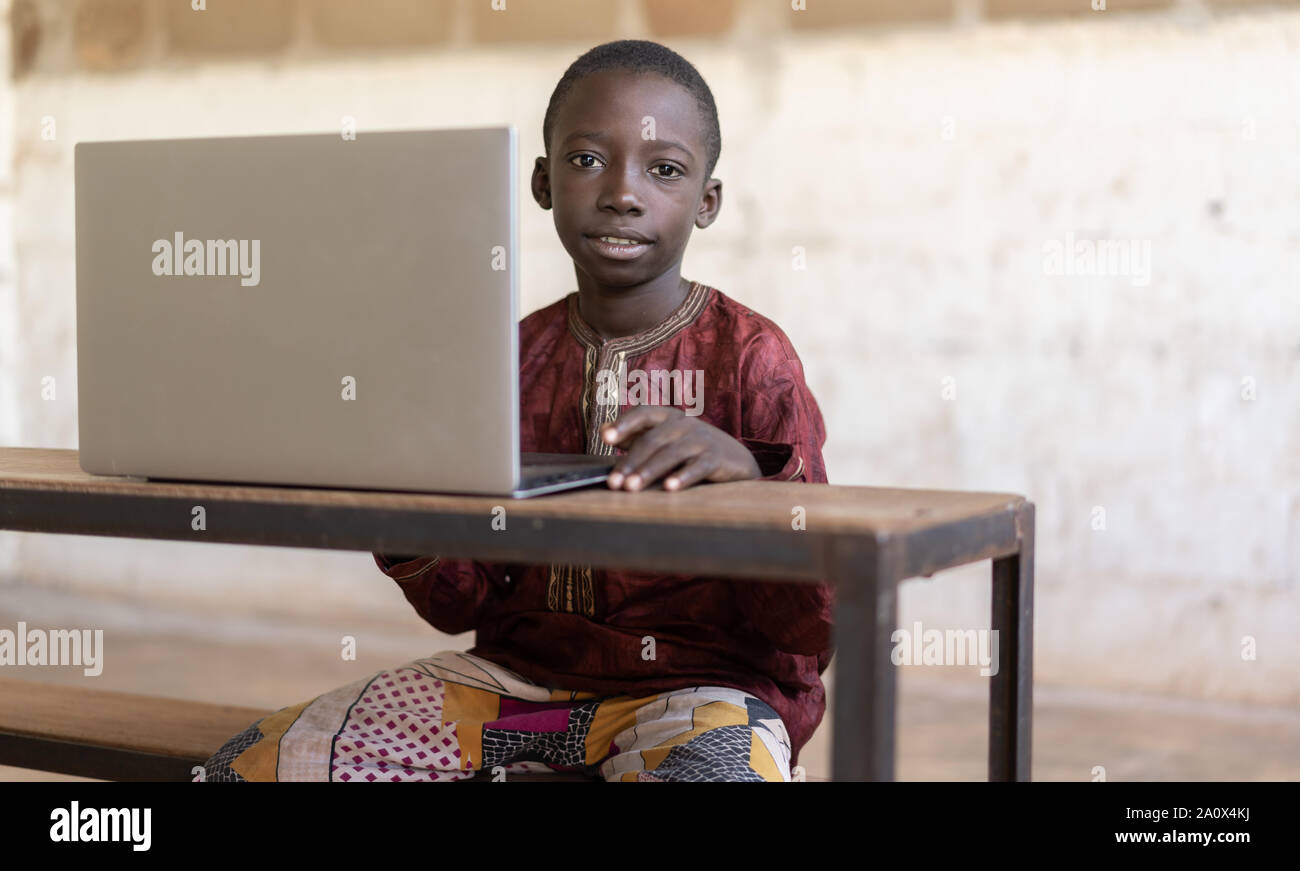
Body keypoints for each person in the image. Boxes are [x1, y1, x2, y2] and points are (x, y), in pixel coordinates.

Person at [199, 39, 832, 783]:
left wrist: (749, 479)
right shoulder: (507, 358)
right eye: (588, 159)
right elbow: (457, 599)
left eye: (665, 170)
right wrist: (398, 490)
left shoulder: (752, 356)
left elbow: (810, 625)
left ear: (708, 201)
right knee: (258, 765)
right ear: (541, 181)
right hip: (510, 687)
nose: (622, 192)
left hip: (701, 693)